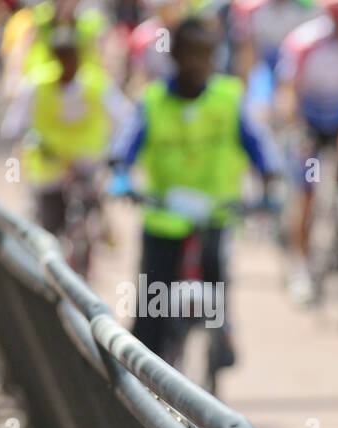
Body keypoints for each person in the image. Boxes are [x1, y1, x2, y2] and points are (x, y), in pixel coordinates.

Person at [110, 16, 277, 366]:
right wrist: (121, 177)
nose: (198, 62)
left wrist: (269, 182)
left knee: (217, 277)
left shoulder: (228, 98)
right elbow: (124, 146)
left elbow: (259, 146)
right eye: (191, 53)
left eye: (207, 54)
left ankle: (222, 330)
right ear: (174, 55)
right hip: (163, 219)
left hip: (214, 215)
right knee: (151, 313)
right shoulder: (153, 101)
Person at [276, 0, 338, 303]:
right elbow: (289, 90)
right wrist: (296, 127)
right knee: (307, 193)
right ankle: (302, 268)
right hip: (311, 125)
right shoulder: (306, 43)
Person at [2, 24, 132, 246]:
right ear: (54, 58)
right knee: (49, 223)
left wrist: (117, 152)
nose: (67, 65)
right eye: (62, 58)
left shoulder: (96, 83)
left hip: (88, 161)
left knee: (95, 202)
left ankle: (102, 229)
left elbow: (126, 118)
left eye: (71, 58)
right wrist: (27, 140)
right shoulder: (37, 83)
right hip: (50, 165)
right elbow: (14, 123)